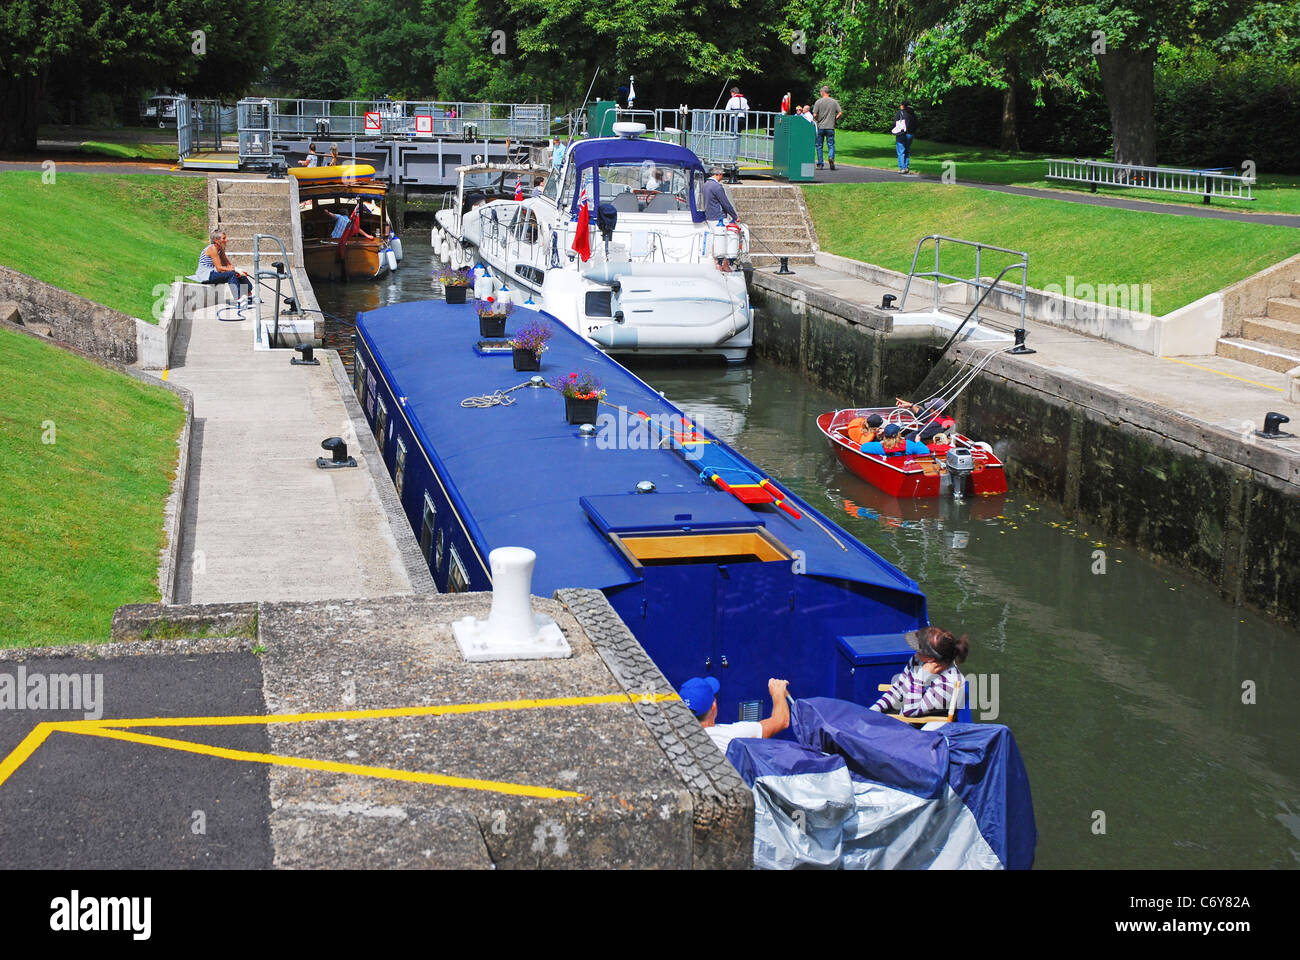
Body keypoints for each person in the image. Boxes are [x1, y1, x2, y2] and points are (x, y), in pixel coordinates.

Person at [679, 676, 791, 757]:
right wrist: (778, 693)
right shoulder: (731, 735)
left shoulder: (676, 734)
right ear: (713, 705)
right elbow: (782, 721)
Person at [870, 627, 968, 718]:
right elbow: (898, 689)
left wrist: (921, 678)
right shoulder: (917, 661)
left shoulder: (948, 684)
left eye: (918, 651)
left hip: (920, 727)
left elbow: (908, 713)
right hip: (904, 713)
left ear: (931, 659)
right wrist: (874, 709)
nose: (915, 654)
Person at [195, 229, 253, 304]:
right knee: (231, 274)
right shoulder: (212, 249)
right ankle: (238, 298)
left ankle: (249, 295)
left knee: (238, 274)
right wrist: (234, 269)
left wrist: (239, 270)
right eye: (224, 238)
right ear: (216, 240)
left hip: (212, 273)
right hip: (205, 275)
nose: (226, 240)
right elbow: (219, 268)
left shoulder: (220, 249)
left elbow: (228, 264)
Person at [700, 165, 739, 271]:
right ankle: (724, 264)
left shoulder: (705, 185)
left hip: (709, 216)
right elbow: (725, 203)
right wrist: (735, 216)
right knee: (723, 239)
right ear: (719, 174)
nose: (722, 177)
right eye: (722, 175)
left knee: (715, 238)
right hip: (718, 217)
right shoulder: (717, 187)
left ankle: (717, 262)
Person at [811, 86, 843, 170]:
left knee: (819, 145)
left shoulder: (818, 102)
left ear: (822, 92)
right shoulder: (834, 102)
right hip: (830, 127)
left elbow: (814, 115)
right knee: (831, 145)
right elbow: (840, 112)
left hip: (820, 127)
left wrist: (817, 119)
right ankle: (831, 157)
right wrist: (835, 119)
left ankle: (820, 164)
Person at [893, 101, 918, 174]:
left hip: (901, 133)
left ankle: (902, 168)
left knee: (900, 151)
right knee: (907, 150)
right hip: (910, 134)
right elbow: (916, 123)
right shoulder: (912, 113)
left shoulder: (900, 113)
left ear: (903, 106)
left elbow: (895, 123)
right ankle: (906, 167)